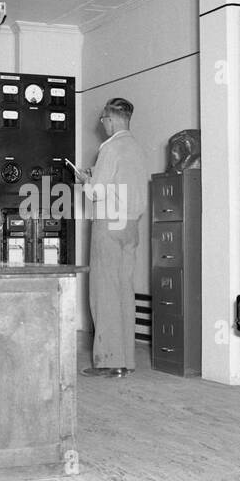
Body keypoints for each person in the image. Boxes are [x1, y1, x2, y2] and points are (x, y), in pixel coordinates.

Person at [71, 98, 149, 377]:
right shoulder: (136, 148)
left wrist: (85, 181)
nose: (102, 124)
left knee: (103, 293)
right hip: (131, 225)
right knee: (124, 291)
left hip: (109, 224)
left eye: (103, 120)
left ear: (112, 119)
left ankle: (108, 361)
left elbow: (96, 192)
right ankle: (126, 360)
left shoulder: (110, 147)